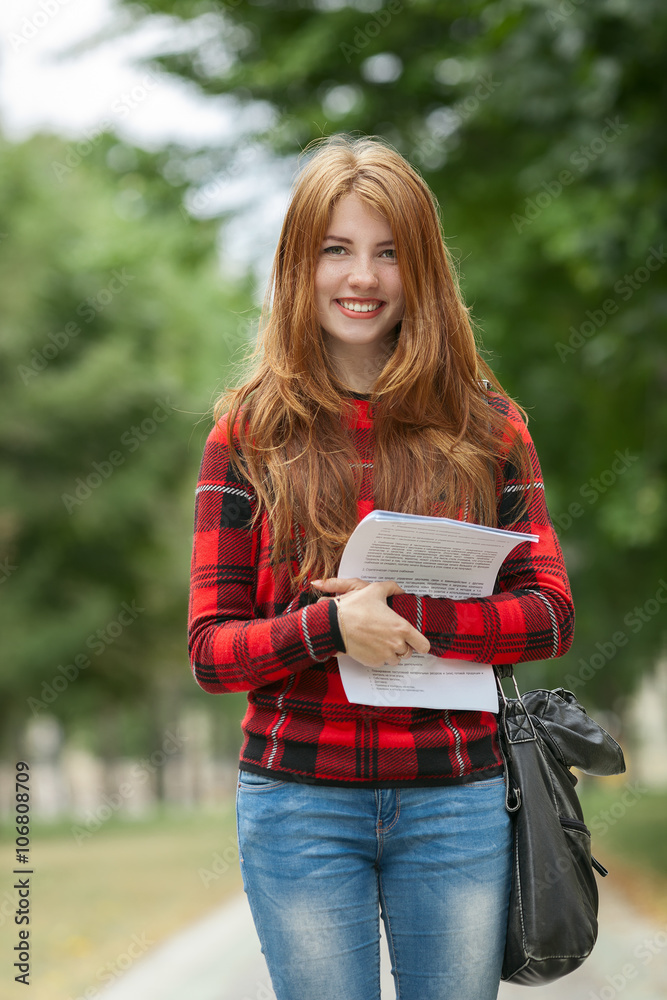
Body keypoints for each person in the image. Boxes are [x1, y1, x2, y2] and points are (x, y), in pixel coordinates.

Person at [188, 134, 574, 1000]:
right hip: (298, 805)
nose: (360, 277)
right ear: (299, 266)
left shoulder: (490, 426)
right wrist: (330, 627)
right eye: (336, 250)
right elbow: (211, 650)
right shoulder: (248, 434)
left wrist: (412, 618)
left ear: (421, 271)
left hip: (457, 799)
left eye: (387, 253)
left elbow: (550, 612)